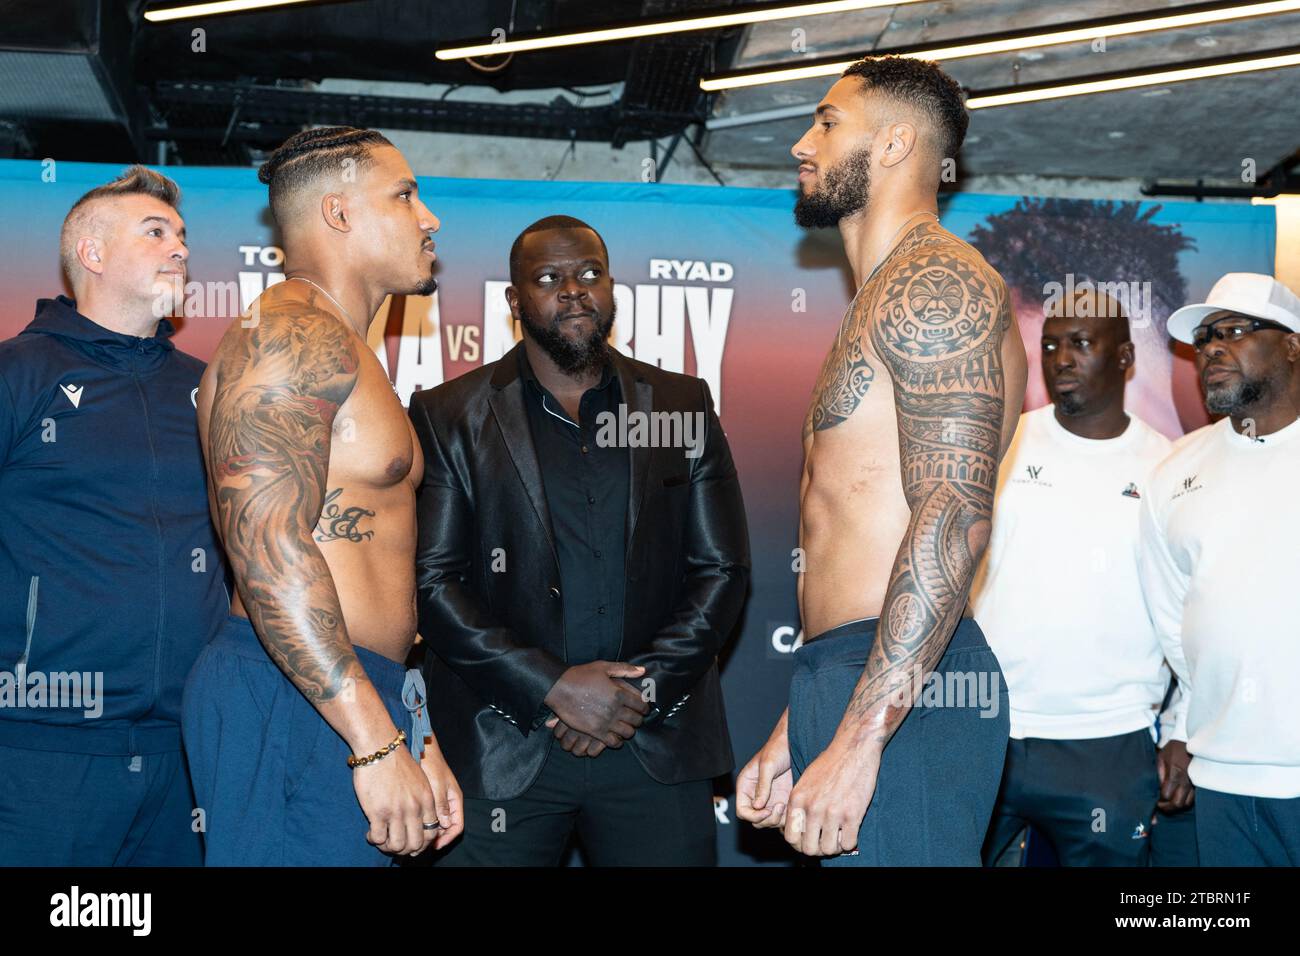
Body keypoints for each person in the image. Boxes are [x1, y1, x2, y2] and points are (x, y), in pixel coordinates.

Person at [735, 55, 1026, 865]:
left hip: (909, 695)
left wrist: (861, 738)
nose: (803, 144)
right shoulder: (882, 294)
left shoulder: (938, 287)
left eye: (827, 123)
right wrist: (799, 727)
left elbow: (953, 518)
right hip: (856, 674)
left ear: (895, 144)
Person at [410, 215, 749, 866]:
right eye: (548, 279)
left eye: (590, 273)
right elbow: (434, 582)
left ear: (612, 287)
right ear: (514, 301)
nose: (573, 290)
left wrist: (635, 697)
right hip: (501, 742)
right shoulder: (451, 414)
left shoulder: (679, 405)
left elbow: (721, 570)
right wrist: (553, 688)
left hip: (652, 743)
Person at [184, 127, 462, 865]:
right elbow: (268, 549)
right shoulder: (286, 334)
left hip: (351, 693)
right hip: (292, 695)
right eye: (404, 195)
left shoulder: (344, 343)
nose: (428, 217)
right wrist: (373, 744)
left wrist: (412, 731)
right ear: (338, 213)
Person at [0, 166, 226, 865]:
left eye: (182, 235)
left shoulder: (207, 388)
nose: (180, 248)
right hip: (41, 747)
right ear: (91, 254)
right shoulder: (18, 374)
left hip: (185, 750)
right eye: (155, 232)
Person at [970, 287, 1184, 866]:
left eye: (1082, 343)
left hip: (1109, 741)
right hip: (988, 728)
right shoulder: (1002, 444)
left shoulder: (1168, 467)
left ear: (1125, 357)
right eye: (1051, 345)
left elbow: (1193, 611)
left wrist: (1181, 728)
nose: (1062, 359)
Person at [1139, 272, 1300, 866]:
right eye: (1204, 339)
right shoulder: (1175, 471)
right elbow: (1172, 620)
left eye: (1233, 331)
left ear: (1293, 344)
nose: (1210, 349)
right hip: (1222, 774)